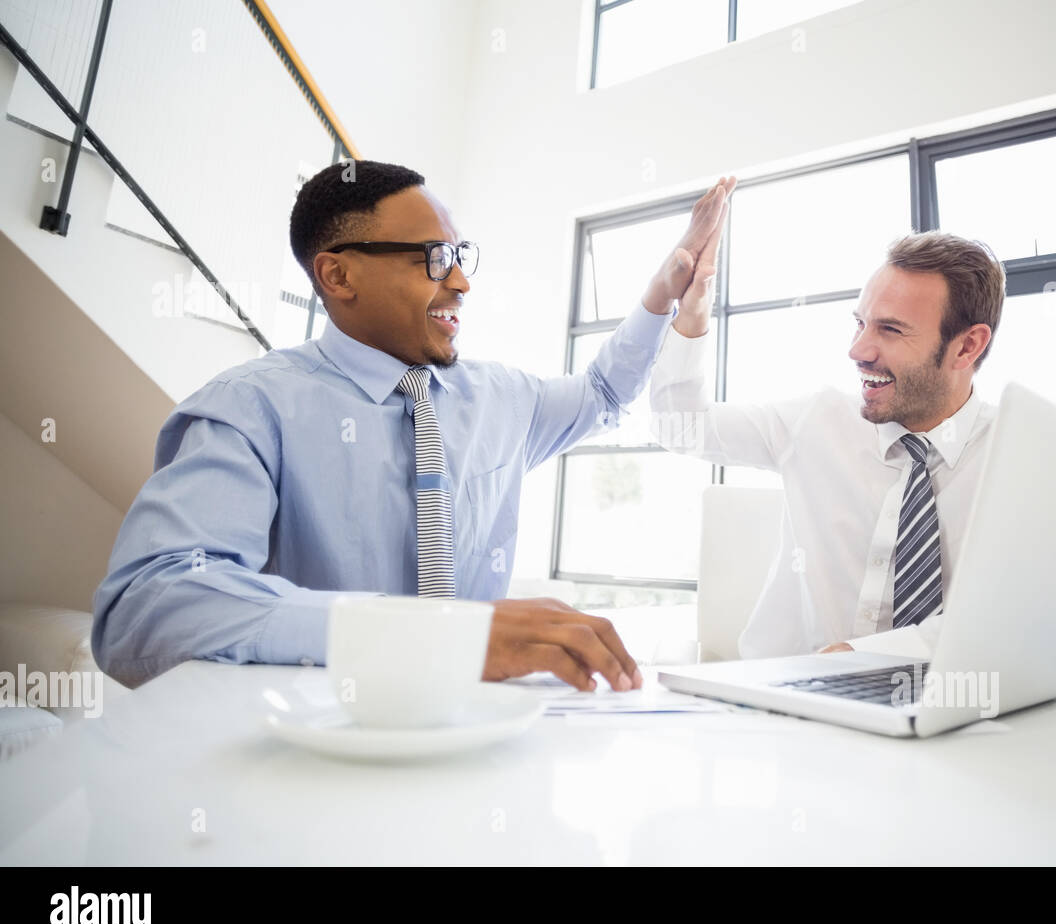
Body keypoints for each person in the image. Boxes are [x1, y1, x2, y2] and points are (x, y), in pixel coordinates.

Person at [92, 159, 736, 691]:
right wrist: (415, 637)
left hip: (484, 743)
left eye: (459, 256)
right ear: (338, 274)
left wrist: (665, 292)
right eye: (432, 258)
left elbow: (601, 393)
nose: (460, 282)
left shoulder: (501, 397)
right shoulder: (249, 409)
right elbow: (149, 605)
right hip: (325, 755)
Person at [649, 228, 1003, 658]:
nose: (858, 350)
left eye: (890, 330)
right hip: (784, 702)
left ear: (967, 346)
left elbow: (1015, 616)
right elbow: (680, 427)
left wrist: (865, 659)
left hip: (947, 708)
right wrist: (692, 309)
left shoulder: (1015, 459)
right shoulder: (816, 421)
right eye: (860, 323)